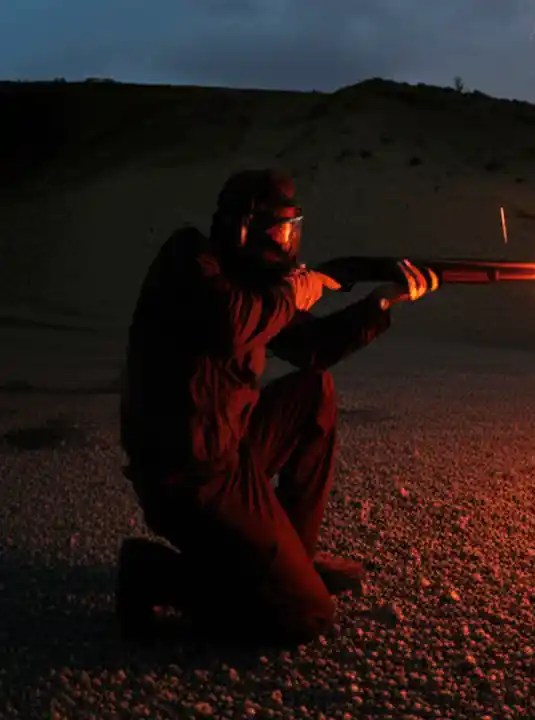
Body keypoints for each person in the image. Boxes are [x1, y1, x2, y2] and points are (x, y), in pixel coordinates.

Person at [115, 169, 436, 644]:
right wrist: (295, 290)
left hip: (230, 454)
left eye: (291, 229)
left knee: (314, 390)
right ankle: (155, 574)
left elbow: (313, 348)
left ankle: (292, 559)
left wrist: (381, 303)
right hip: (188, 480)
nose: (286, 241)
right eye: (277, 230)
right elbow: (232, 326)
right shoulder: (189, 260)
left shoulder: (255, 286)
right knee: (306, 615)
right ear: (242, 227)